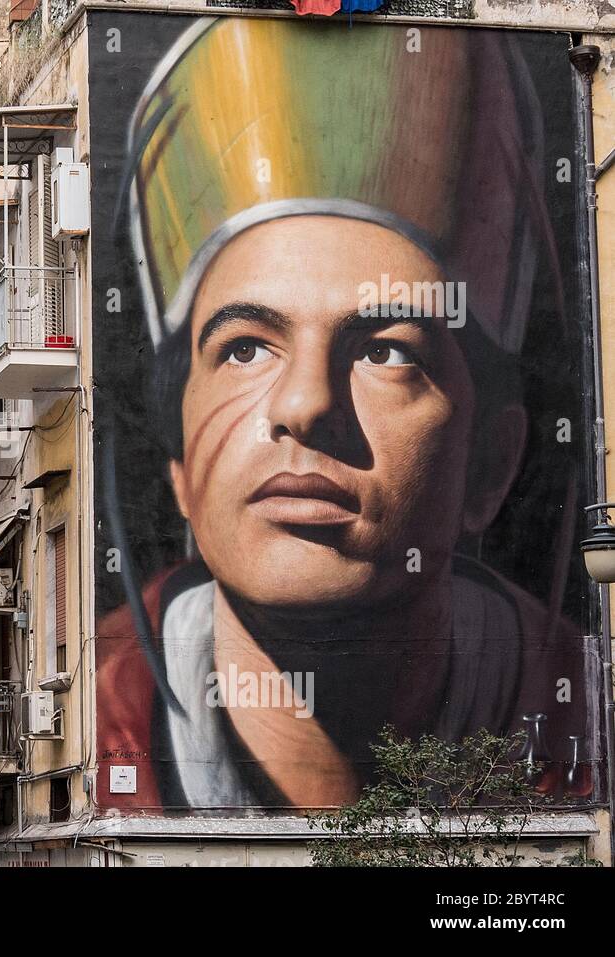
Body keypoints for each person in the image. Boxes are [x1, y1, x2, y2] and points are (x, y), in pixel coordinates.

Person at [96, 17, 601, 809]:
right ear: (179, 464)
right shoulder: (99, 716)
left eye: (385, 351)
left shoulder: (583, 718)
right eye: (244, 348)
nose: (305, 405)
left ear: (492, 463)